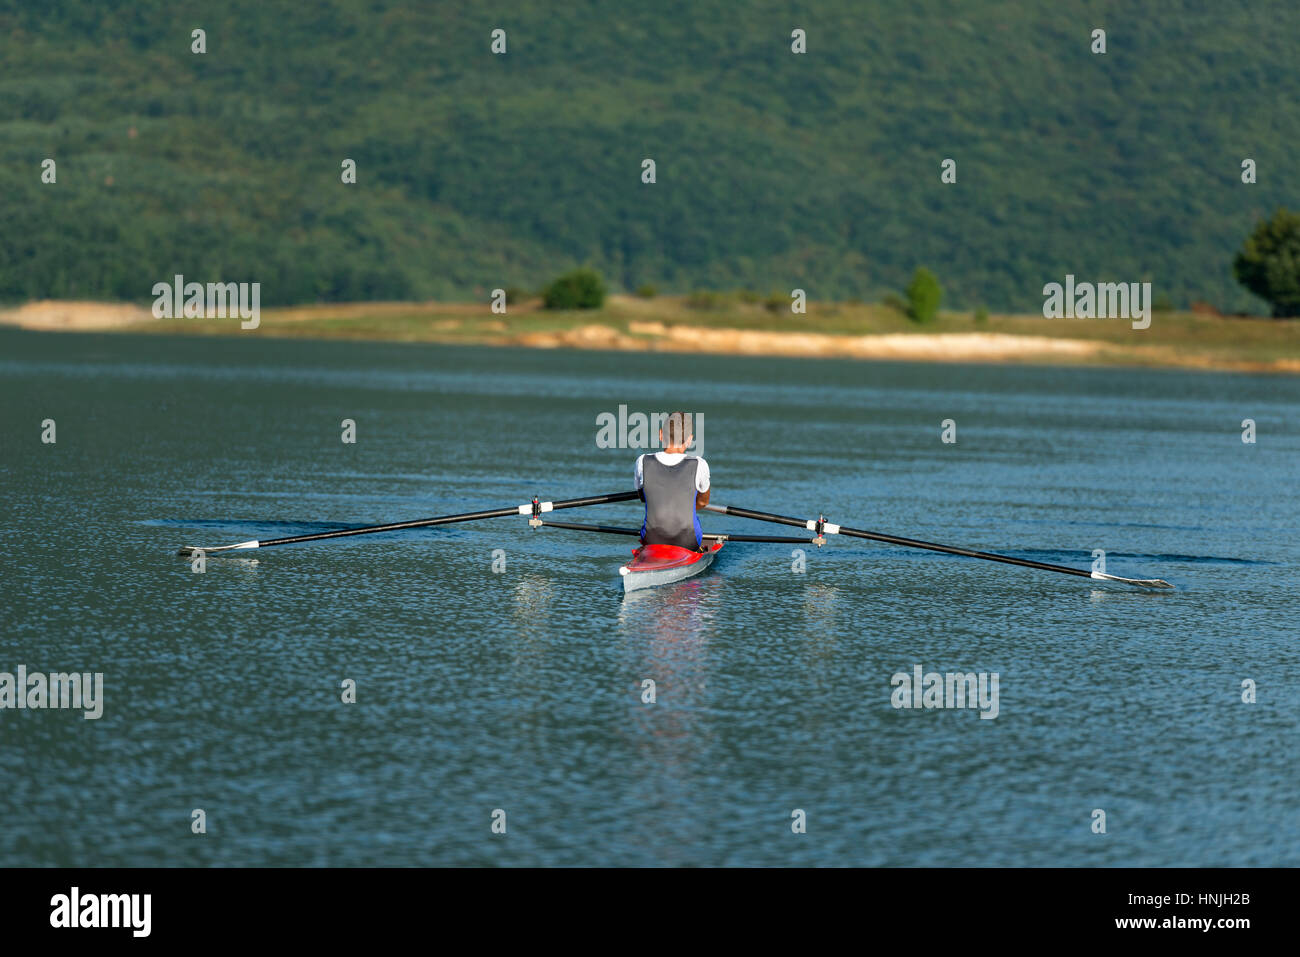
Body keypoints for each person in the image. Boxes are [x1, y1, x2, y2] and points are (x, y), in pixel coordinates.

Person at [634, 411, 710, 551]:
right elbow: (703, 502)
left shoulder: (642, 461)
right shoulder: (700, 464)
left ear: (661, 434)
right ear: (689, 439)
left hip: (651, 539)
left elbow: (644, 498)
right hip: (688, 541)